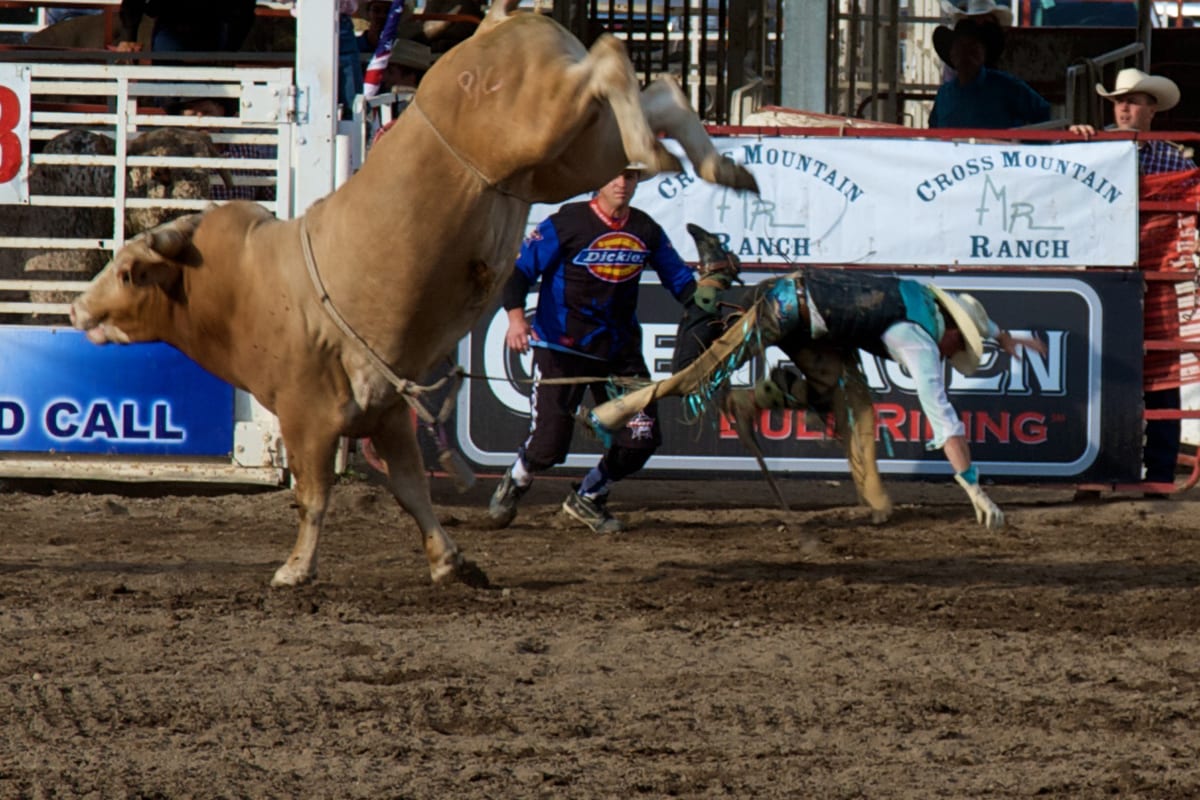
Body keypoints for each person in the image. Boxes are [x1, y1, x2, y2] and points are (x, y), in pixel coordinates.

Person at [664, 225, 1047, 530]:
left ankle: (761, 398)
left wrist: (1002, 336)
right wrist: (973, 485)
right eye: (957, 348)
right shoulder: (920, 344)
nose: (952, 356)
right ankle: (715, 277)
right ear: (952, 333)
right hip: (790, 310)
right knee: (691, 369)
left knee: (857, 407)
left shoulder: (927, 297)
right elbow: (943, 419)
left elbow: (974, 320)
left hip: (807, 313)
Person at [486, 165, 696, 534]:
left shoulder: (645, 229)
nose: (621, 182)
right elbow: (519, 272)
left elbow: (680, 281)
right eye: (614, 174)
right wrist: (516, 319)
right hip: (561, 348)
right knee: (548, 448)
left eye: (629, 176)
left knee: (642, 438)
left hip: (620, 354)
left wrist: (708, 305)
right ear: (596, 179)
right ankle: (517, 479)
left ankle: (588, 496)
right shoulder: (566, 223)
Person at [1070, 69, 1195, 492]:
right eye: (1120, 100)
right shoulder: (1089, 147)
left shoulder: (1174, 160)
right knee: (1101, 370)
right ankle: (1098, 469)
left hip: (1152, 277)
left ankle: (1156, 473)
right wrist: (1073, 143)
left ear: (1151, 109)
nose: (1124, 107)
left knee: (1162, 373)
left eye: (1135, 100)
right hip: (1105, 278)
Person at [928, 17, 1050, 129]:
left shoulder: (1007, 87)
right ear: (951, 55)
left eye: (973, 49)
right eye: (960, 48)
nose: (966, 55)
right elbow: (933, 133)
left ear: (984, 54)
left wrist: (1023, 146)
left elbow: (1045, 114)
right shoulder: (944, 95)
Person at [113, 0, 257, 54]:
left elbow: (245, 8)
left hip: (212, 29)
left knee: (209, 96)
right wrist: (128, 38)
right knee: (172, 93)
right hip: (171, 28)